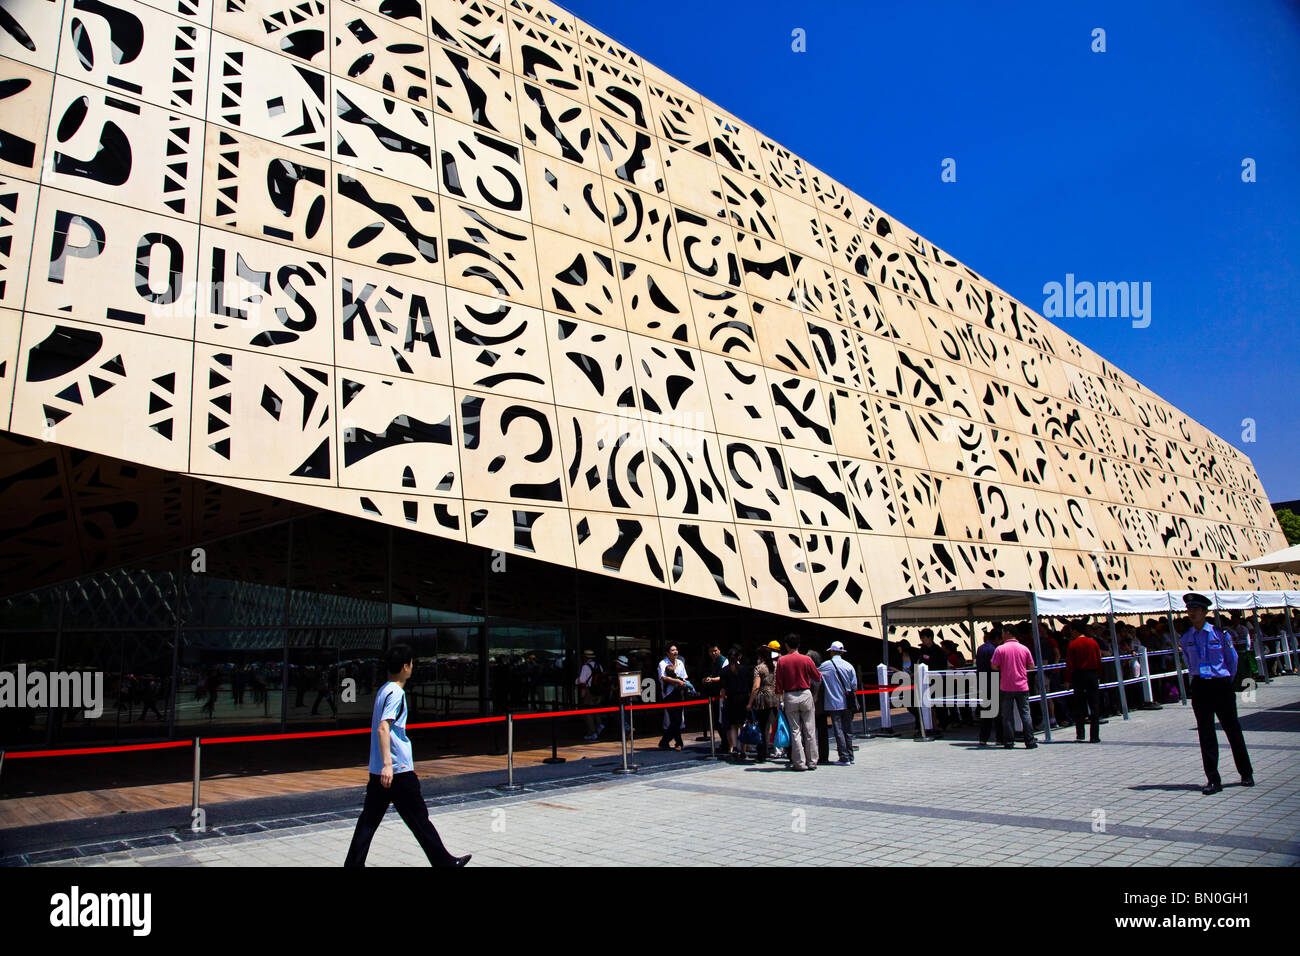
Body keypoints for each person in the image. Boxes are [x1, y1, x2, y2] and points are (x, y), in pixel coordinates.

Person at [344, 644, 470, 868]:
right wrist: (388, 765)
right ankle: (445, 864)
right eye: (411, 663)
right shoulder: (396, 693)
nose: (412, 667)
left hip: (380, 771)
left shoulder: (384, 689)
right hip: (397, 771)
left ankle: (353, 865)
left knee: (369, 821)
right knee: (419, 819)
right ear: (405, 666)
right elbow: (384, 728)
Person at [1179, 593, 1254, 795]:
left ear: (1205, 612)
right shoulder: (1186, 638)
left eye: (1196, 609)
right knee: (1206, 733)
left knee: (1232, 730)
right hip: (1200, 687)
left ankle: (1246, 773)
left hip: (1220, 685)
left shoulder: (1220, 634)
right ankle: (1213, 779)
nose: (1192, 612)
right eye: (1189, 609)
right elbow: (1188, 661)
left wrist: (1225, 682)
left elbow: (1232, 661)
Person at [773, 633, 822, 771]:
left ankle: (799, 763)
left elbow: (778, 684)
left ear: (786, 645)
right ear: (799, 644)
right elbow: (817, 677)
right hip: (805, 693)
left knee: (795, 731)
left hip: (790, 695)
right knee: (810, 729)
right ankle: (812, 761)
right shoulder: (806, 659)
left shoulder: (782, 661)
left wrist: (779, 700)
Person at [990, 623, 1037, 750]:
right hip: (1022, 685)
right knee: (1025, 714)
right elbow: (1031, 666)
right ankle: (1030, 741)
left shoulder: (1000, 649)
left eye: (1003, 633)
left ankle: (1009, 742)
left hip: (1006, 686)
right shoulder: (1024, 648)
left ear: (1008, 633)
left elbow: (994, 666)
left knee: (1007, 716)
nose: (1002, 635)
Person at [819, 641, 858, 765]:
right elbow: (854, 685)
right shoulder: (849, 666)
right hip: (847, 702)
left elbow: (815, 676)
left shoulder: (826, 665)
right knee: (848, 730)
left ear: (831, 651)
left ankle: (844, 757)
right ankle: (850, 756)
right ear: (841, 652)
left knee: (838, 730)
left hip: (833, 702)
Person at [1064, 622, 1102, 742]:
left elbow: (1070, 664)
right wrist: (1099, 675)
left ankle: (1080, 733)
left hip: (1079, 675)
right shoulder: (1093, 642)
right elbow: (1099, 660)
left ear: (1075, 630)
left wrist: (1067, 680)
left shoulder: (1073, 645)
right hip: (1092, 674)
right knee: (1094, 705)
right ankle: (1094, 736)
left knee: (1079, 705)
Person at [720, 646, 754, 760]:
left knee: (733, 725)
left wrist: (723, 699)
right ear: (739, 656)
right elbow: (750, 685)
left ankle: (734, 748)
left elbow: (723, 688)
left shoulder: (724, 670)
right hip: (744, 698)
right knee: (743, 725)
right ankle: (743, 750)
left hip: (731, 699)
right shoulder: (745, 669)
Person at [748, 647, 780, 763]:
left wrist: (750, 702)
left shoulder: (759, 668)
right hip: (775, 698)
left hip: (762, 700)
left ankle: (762, 754)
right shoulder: (776, 666)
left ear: (760, 656)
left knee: (762, 728)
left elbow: (756, 687)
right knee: (773, 725)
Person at [975, 629, 1005, 747]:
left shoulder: (981, 648)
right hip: (994, 681)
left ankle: (983, 738)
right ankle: (1000, 738)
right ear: (997, 638)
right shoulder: (995, 650)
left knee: (986, 713)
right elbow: (996, 666)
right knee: (998, 713)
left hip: (982, 682)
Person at [658, 644, 689, 750]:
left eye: (676, 650)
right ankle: (679, 743)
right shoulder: (662, 663)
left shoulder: (680, 662)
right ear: (667, 652)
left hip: (679, 693)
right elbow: (663, 677)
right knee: (674, 719)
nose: (675, 652)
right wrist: (676, 681)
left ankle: (664, 741)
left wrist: (684, 683)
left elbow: (684, 676)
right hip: (668, 694)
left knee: (678, 719)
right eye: (672, 650)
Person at [700, 643, 728, 744]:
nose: (713, 653)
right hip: (715, 694)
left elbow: (723, 677)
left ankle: (727, 743)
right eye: (711, 651)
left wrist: (711, 679)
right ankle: (724, 742)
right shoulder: (713, 662)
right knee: (717, 720)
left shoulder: (724, 661)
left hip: (722, 694)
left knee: (722, 719)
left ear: (719, 650)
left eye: (715, 651)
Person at [575, 650, 606, 740]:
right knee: (595, 709)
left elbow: (582, 679)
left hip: (589, 691)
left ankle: (592, 732)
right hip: (598, 691)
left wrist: (575, 681)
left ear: (585, 657)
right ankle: (599, 724)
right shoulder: (598, 666)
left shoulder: (585, 666)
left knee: (587, 711)